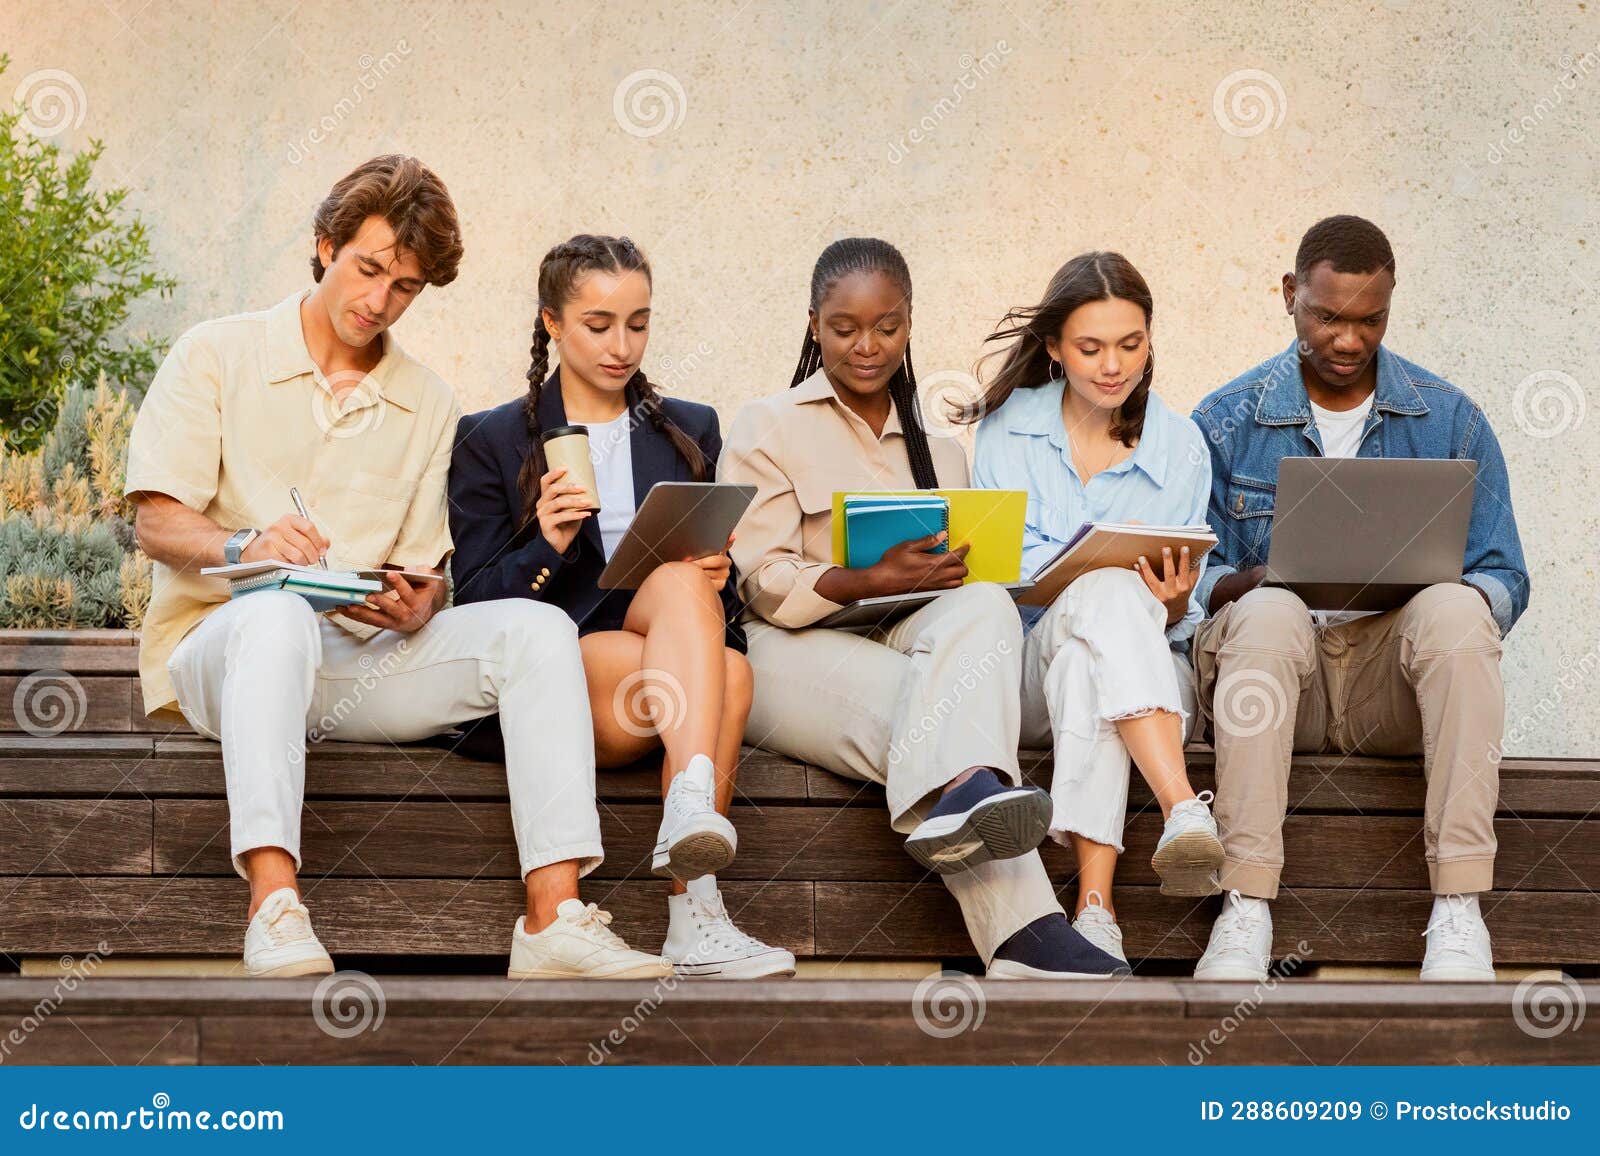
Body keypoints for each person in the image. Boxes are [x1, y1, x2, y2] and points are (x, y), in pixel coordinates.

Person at [126, 157, 668, 981]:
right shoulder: (216, 353)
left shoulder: (429, 401)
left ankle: (554, 919)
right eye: (368, 268)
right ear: (324, 246)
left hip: (349, 667)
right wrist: (246, 547)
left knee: (534, 627)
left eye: (405, 286)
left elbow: (429, 570)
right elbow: (154, 521)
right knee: (273, 613)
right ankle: (274, 908)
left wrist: (422, 603)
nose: (378, 301)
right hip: (220, 652)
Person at [720, 237, 1127, 979]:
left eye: (888, 326)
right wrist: (866, 579)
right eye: (844, 328)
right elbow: (762, 585)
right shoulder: (766, 425)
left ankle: (974, 808)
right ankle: (1026, 930)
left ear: (910, 323)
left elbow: (962, 594)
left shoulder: (940, 447)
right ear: (814, 324)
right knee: (927, 717)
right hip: (784, 653)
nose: (867, 346)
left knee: (985, 603)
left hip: (901, 637)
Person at [1189, 215, 1529, 982]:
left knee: (1456, 611)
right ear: (1289, 296)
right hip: (1281, 682)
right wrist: (1247, 581)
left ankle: (1457, 911)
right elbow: (1185, 584)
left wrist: (1440, 587)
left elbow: (1506, 575)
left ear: (1391, 304)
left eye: (1370, 319)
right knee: (1270, 612)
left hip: (1392, 687)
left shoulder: (1450, 420)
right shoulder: (1223, 420)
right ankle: (1245, 908)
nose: (1349, 339)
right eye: (1328, 317)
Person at [449, 234, 794, 979]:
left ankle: (689, 821)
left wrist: (717, 569)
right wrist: (545, 541)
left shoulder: (689, 425)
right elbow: (473, 601)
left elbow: (721, 602)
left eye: (638, 323)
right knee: (724, 670)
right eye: (599, 325)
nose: (622, 345)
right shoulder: (490, 438)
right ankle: (695, 908)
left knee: (702, 616)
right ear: (551, 323)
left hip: (658, 678)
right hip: (560, 678)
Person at [962, 251, 1222, 968]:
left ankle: (1095, 911)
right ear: (1053, 347)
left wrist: (1169, 608)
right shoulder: (1008, 429)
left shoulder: (1180, 447)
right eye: (1091, 347)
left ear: (1150, 341)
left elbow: (1181, 617)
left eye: (1130, 345)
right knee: (1094, 605)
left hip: (1147, 678)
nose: (1114, 365)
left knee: (1091, 658)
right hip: (1023, 673)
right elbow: (993, 586)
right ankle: (1182, 808)